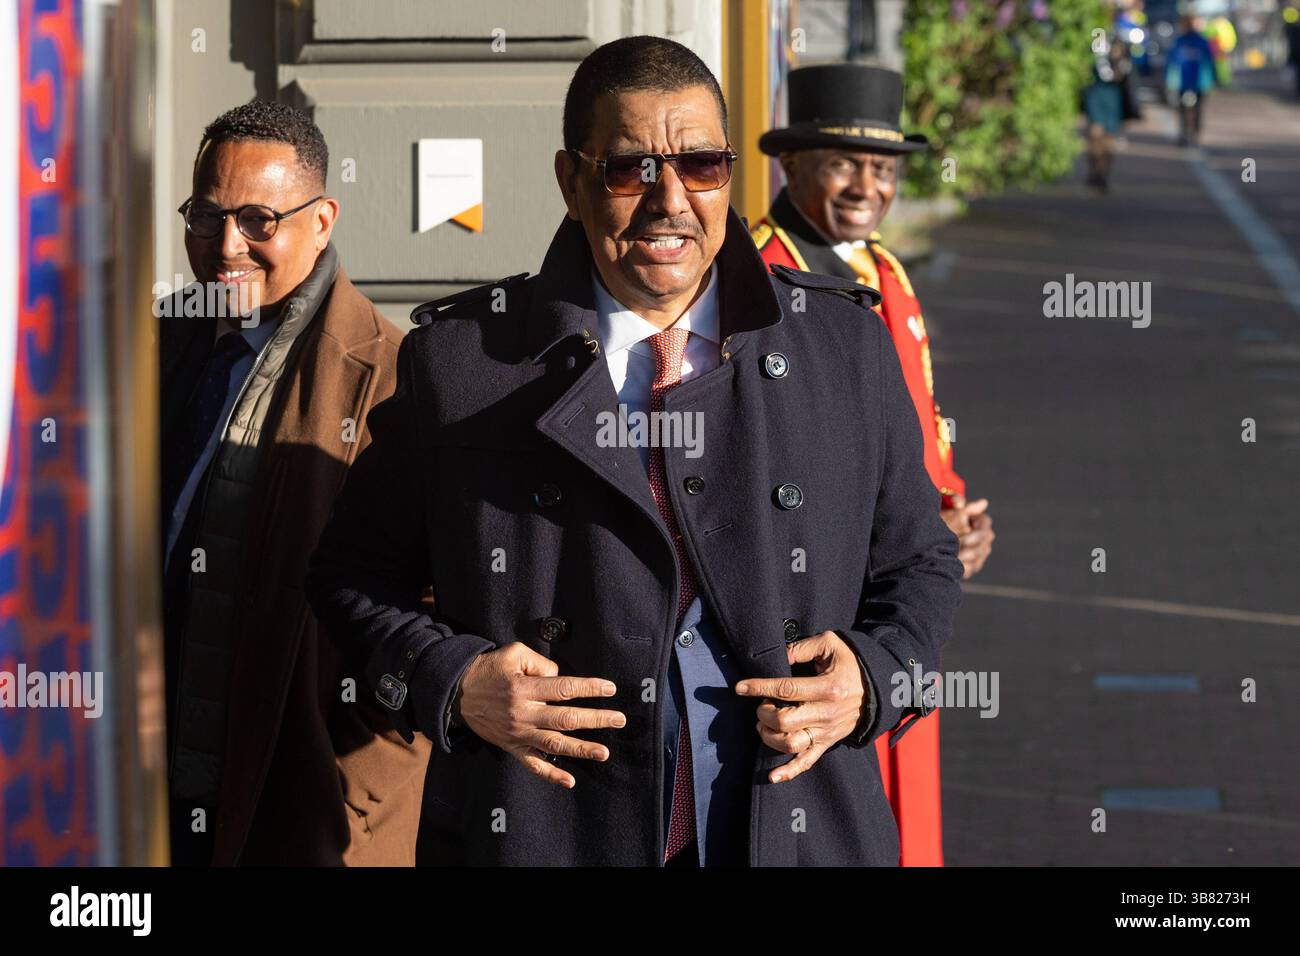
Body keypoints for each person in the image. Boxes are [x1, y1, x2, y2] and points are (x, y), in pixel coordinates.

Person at [307, 36, 963, 866]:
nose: (670, 202)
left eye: (701, 165)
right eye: (630, 170)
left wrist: (872, 679)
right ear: (571, 181)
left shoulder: (845, 347)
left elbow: (923, 564)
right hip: (546, 833)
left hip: (800, 830)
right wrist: (455, 682)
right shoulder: (466, 364)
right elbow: (349, 576)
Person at [158, 100, 429, 865]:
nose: (226, 246)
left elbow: (430, 608)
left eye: (257, 220)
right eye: (205, 216)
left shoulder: (391, 375)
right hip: (148, 787)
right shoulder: (154, 344)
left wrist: (356, 788)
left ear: (322, 219)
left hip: (299, 811)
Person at [750, 63, 994, 866]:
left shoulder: (884, 272)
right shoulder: (755, 274)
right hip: (815, 616)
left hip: (897, 610)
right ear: (793, 164)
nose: (868, 187)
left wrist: (946, 521)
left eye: (884, 170)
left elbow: (918, 441)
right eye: (844, 164)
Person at [1082, 26, 1139, 191]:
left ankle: (1103, 173)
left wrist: (1120, 60)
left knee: (1109, 139)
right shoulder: (1099, 32)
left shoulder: (1120, 30)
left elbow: (1124, 68)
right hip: (1097, 94)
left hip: (1113, 97)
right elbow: (1096, 62)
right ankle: (1094, 169)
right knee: (1095, 134)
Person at [1165, 15, 1217, 147]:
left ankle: (1192, 134)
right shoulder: (1180, 41)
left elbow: (1209, 62)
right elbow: (1173, 63)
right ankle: (1186, 133)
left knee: (1196, 110)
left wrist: (1210, 80)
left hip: (1198, 83)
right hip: (1185, 83)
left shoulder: (1201, 42)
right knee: (1185, 110)